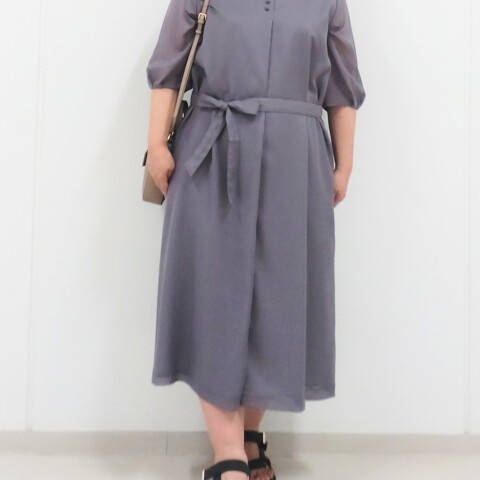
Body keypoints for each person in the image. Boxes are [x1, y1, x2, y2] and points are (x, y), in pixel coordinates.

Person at [144, 0, 366, 479]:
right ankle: (228, 455)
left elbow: (343, 87)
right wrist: (157, 144)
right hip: (212, 152)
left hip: (296, 162)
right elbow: (167, 70)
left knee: (276, 308)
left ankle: (247, 435)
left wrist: (344, 165)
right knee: (212, 301)